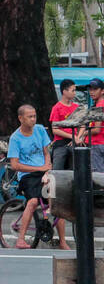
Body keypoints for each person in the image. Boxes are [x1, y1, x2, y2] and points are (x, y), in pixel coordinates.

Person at [7, 105, 69, 250]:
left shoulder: (40, 130)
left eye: (34, 116)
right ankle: (20, 240)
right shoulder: (15, 138)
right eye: (30, 117)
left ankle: (62, 241)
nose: (33, 119)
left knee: (57, 202)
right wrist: (39, 168)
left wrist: (47, 169)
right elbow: (15, 165)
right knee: (33, 202)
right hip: (27, 176)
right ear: (20, 119)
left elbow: (47, 152)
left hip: (44, 172)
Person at [84, 78, 104, 172]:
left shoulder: (99, 106)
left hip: (97, 144)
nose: (91, 92)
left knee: (97, 176)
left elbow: (96, 129)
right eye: (90, 89)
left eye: (95, 89)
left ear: (103, 91)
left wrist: (83, 134)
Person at [48, 79, 79, 172]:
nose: (75, 93)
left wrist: (78, 137)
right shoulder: (56, 108)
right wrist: (72, 136)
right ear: (64, 91)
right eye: (72, 90)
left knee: (76, 169)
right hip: (61, 143)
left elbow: (82, 125)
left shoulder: (76, 107)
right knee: (57, 170)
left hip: (74, 143)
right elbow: (55, 130)